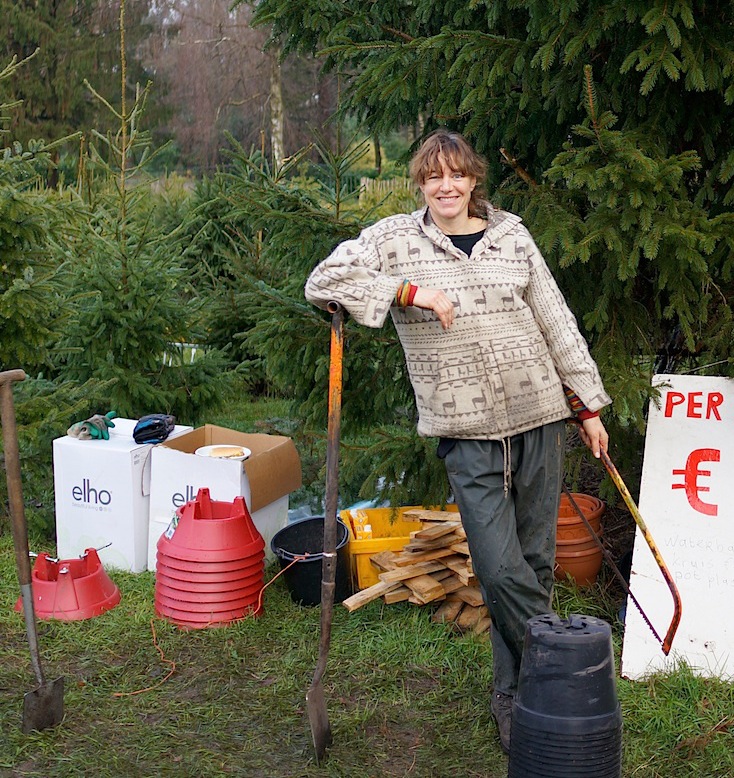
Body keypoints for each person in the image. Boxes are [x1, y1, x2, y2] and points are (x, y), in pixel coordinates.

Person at [304, 129, 611, 754]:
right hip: (463, 429)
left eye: (457, 175)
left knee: (537, 561)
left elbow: (555, 319)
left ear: (474, 180)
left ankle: (515, 692)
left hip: (540, 415)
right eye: (433, 176)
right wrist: (406, 291)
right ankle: (566, 670)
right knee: (499, 567)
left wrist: (588, 406)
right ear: (420, 183)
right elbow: (323, 279)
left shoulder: (512, 234)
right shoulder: (396, 240)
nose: (446, 186)